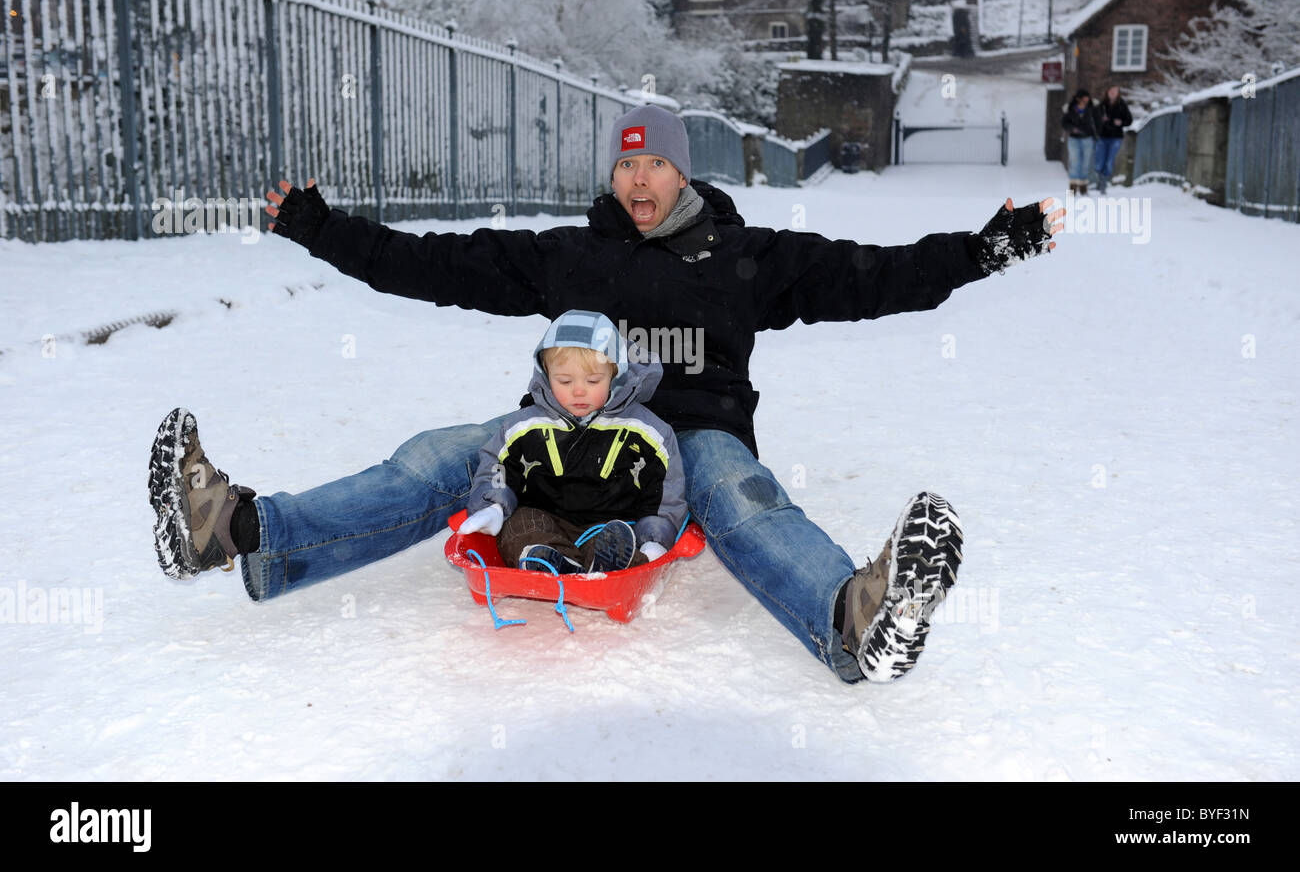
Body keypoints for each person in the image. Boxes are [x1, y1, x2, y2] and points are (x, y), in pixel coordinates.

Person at [148, 103, 1064, 684]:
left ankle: (853, 616)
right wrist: (321, 228)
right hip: (564, 437)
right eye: (625, 164)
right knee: (438, 453)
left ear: (683, 171)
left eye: (655, 163)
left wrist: (980, 251)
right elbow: (435, 265)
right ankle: (234, 530)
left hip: (685, 442)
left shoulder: (747, 259)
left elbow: (875, 274)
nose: (638, 178)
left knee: (739, 490)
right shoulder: (570, 255)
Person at [456, 309, 687, 575]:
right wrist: (493, 506)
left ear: (615, 374)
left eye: (592, 380)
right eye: (564, 380)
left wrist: (654, 540)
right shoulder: (523, 426)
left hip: (611, 525)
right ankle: (553, 562)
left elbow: (665, 493)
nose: (578, 390)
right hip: (547, 521)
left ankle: (609, 567)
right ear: (546, 374)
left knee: (619, 540)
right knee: (519, 524)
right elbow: (497, 466)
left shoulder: (648, 431)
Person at [1092, 85, 1132, 194]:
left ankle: (1103, 185)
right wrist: (1102, 121)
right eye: (1111, 91)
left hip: (1116, 137)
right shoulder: (1101, 106)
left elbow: (1129, 120)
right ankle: (1099, 182)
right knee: (1099, 161)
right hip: (1102, 137)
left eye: (1116, 91)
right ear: (1107, 92)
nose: (1113, 93)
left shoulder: (1122, 105)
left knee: (1109, 161)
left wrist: (1120, 122)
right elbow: (1094, 121)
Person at [1061, 88, 1098, 195]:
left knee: (1085, 162)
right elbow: (1064, 123)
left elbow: (1097, 121)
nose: (1086, 100)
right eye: (1084, 98)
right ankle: (1072, 186)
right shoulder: (1070, 109)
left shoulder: (1092, 109)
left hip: (1087, 139)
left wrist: (1095, 133)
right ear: (1078, 99)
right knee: (1074, 161)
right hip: (1074, 139)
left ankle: (1083, 186)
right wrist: (1072, 128)